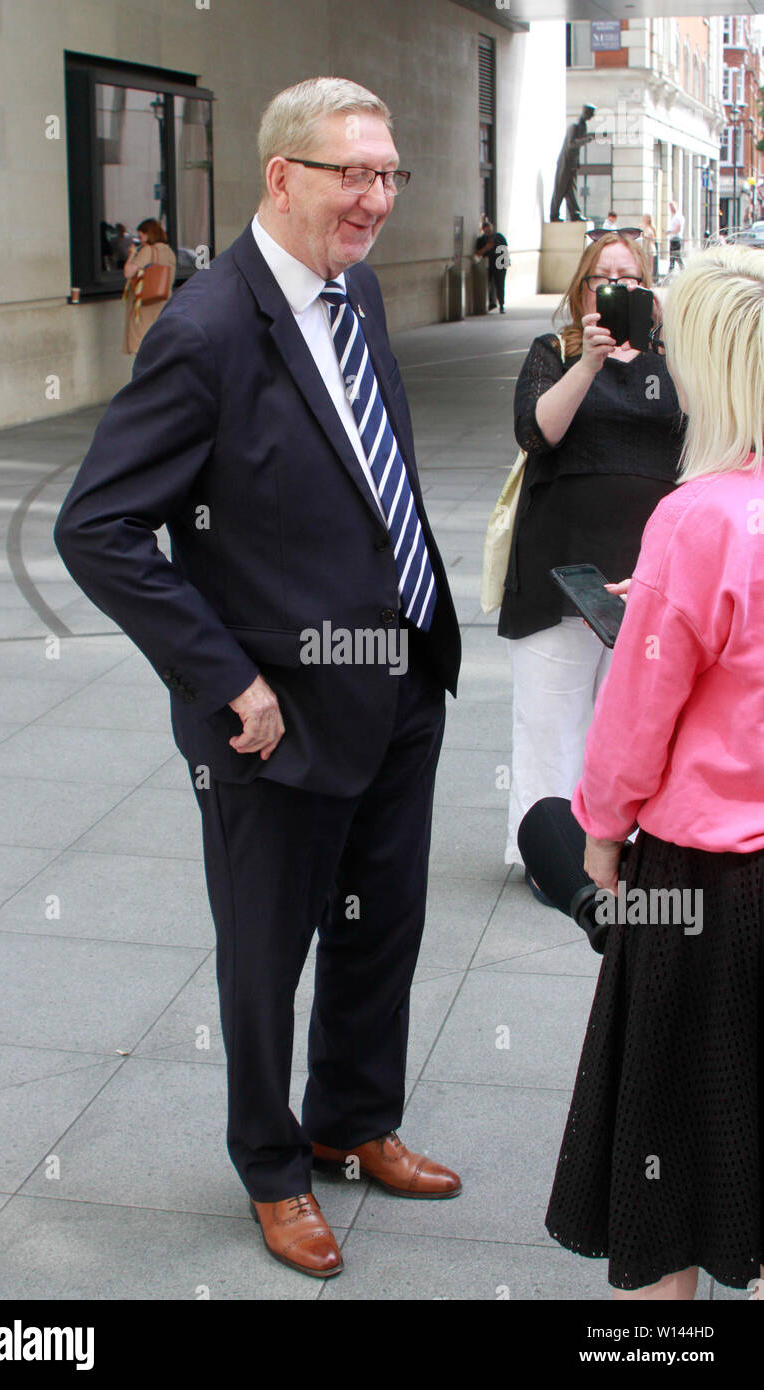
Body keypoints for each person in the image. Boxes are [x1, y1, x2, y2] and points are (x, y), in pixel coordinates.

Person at [53, 77, 462, 1281]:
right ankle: (273, 1166)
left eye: (388, 175)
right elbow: (99, 527)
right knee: (264, 953)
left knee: (380, 927)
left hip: (394, 683)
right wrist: (228, 679)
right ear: (282, 176)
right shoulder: (206, 328)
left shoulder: (358, 292)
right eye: (354, 175)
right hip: (270, 721)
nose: (377, 200)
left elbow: (359, 476)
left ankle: (351, 1117)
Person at [545, 243, 764, 1298]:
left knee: (658, 1166)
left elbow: (638, 713)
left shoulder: (694, 518)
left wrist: (596, 830)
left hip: (702, 879)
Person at [497, 231, 684, 883]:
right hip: (561, 569)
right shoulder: (552, 354)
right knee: (550, 717)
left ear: (649, 290)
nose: (615, 288)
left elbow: (707, 437)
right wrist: (589, 362)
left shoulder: (677, 363)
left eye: (629, 279)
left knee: (633, 724)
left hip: (649, 576)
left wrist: (673, 340)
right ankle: (546, 854)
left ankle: (618, 849)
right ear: (580, 291)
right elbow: (535, 431)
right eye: (601, 278)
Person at [122, 218, 176, 354]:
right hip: (164, 301)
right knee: (160, 344)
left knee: (141, 343)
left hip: (146, 302)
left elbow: (128, 272)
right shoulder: (169, 252)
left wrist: (132, 255)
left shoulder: (148, 250)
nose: (140, 240)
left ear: (149, 234)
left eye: (141, 236)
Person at [476, 217, 509, 313]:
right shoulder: (481, 240)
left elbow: (505, 249)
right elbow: (478, 253)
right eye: (486, 229)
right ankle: (490, 303)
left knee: (500, 284)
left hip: (500, 264)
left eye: (489, 228)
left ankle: (501, 304)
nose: (488, 231)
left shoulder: (499, 237)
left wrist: (506, 262)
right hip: (488, 265)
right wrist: (486, 247)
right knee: (488, 284)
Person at [667, 200, 685, 273]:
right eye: (670, 207)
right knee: (675, 257)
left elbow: (678, 228)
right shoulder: (675, 216)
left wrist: (670, 232)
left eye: (672, 207)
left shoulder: (678, 217)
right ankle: (680, 269)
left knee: (674, 256)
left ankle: (673, 271)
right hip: (674, 238)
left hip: (676, 239)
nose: (671, 209)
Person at [641, 212, 658, 283]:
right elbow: (641, 235)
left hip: (651, 245)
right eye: (646, 217)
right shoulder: (642, 226)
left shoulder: (652, 227)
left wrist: (649, 237)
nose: (647, 219)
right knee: (645, 263)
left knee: (651, 264)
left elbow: (654, 237)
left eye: (648, 217)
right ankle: (645, 278)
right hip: (645, 246)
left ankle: (650, 279)